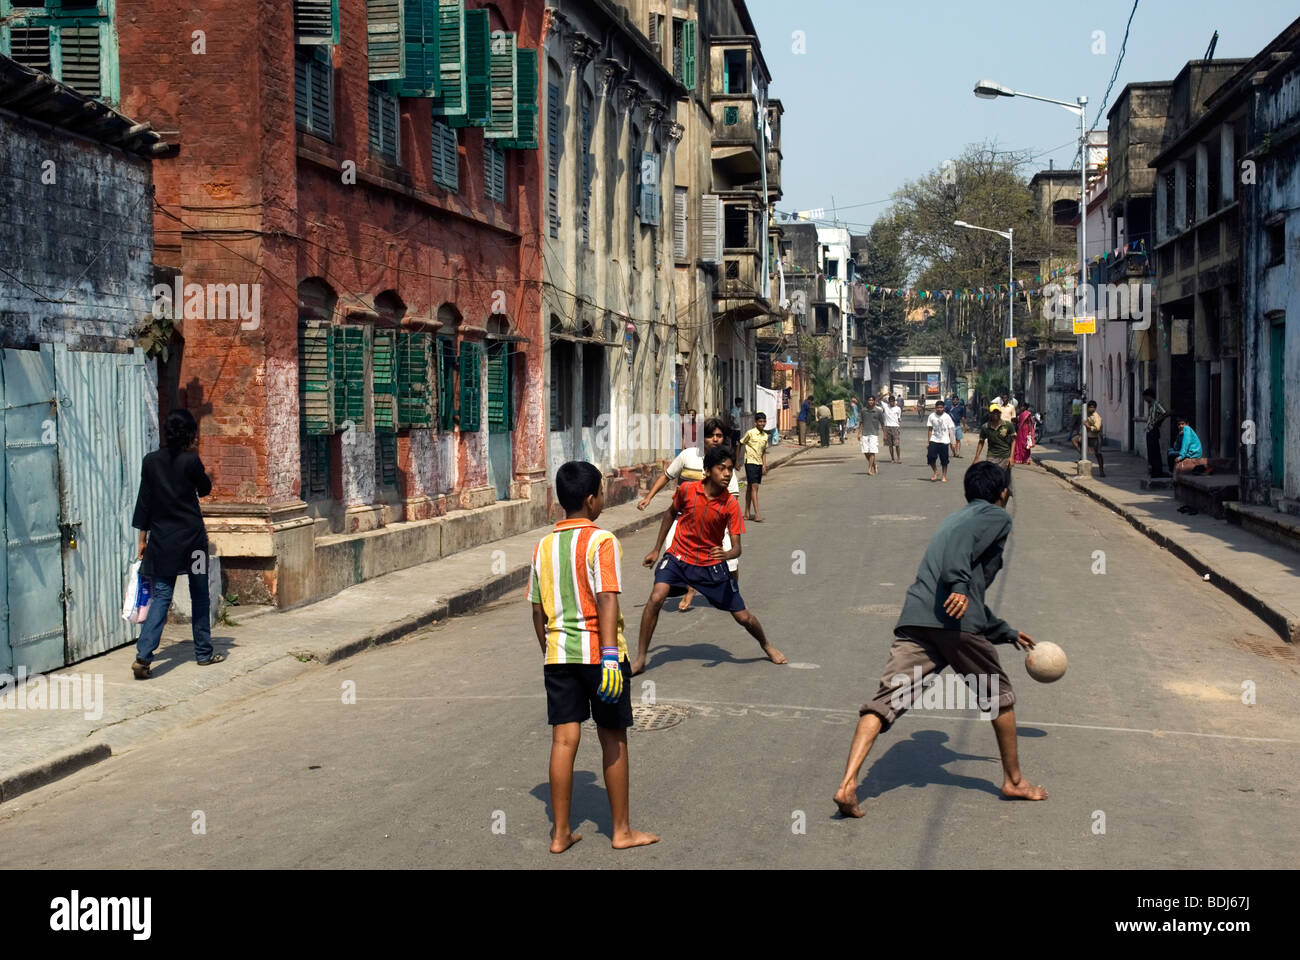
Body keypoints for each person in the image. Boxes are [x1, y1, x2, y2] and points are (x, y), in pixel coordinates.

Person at [832, 460, 1045, 818]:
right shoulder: (997, 516)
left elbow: (966, 584)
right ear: (1002, 494)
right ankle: (1014, 781)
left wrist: (1004, 631)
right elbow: (959, 567)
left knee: (885, 701)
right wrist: (960, 586)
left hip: (917, 619)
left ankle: (848, 783)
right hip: (954, 623)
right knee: (999, 698)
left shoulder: (955, 518)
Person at [529, 461, 659, 853]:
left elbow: (537, 610)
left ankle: (560, 833)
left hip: (559, 655)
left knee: (563, 741)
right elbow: (606, 598)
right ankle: (621, 831)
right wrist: (606, 656)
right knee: (613, 738)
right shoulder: (602, 541)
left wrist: (549, 650)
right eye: (601, 492)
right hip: (601, 656)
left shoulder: (543, 546)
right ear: (591, 500)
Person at [633, 445, 786, 675]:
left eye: (730, 470)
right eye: (721, 469)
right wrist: (656, 550)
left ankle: (766, 645)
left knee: (743, 617)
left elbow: (737, 548)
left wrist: (726, 554)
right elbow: (669, 514)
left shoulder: (730, 505)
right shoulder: (686, 490)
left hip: (710, 565)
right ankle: (641, 658)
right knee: (656, 596)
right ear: (707, 471)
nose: (726, 474)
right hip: (679, 556)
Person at [130, 409, 223, 679]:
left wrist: (142, 540)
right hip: (193, 541)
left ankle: (143, 656)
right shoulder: (191, 462)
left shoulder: (150, 462)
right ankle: (203, 653)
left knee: (161, 595)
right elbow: (204, 489)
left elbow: (144, 503)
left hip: (163, 542)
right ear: (189, 435)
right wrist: (205, 471)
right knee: (200, 594)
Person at [637, 417, 740, 611]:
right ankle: (688, 591)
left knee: (731, 561)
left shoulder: (726, 468)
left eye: (719, 436)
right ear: (703, 439)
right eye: (710, 436)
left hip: (716, 522)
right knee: (678, 554)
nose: (715, 440)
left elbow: (733, 500)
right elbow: (666, 476)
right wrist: (649, 497)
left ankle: (733, 590)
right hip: (684, 518)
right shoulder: (687, 456)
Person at [738, 412, 770, 522]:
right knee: (755, 488)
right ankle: (757, 514)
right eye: (760, 421)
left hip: (759, 463)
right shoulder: (750, 433)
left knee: (750, 488)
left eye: (764, 421)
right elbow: (740, 443)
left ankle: (747, 513)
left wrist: (764, 465)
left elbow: (764, 451)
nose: (762, 423)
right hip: (750, 462)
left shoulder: (765, 436)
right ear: (755, 422)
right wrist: (737, 460)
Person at [973, 404, 1016, 484]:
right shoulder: (985, 427)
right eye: (993, 412)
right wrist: (976, 457)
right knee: (991, 479)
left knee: (1004, 482)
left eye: (997, 412)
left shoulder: (1008, 425)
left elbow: (1014, 440)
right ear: (990, 414)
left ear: (1000, 413)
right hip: (991, 457)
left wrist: (1012, 457)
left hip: (1005, 457)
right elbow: (981, 442)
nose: (995, 414)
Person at [1142, 388, 1171, 478]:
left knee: (1155, 451)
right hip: (1149, 430)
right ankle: (1154, 470)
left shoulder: (1156, 405)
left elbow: (1165, 413)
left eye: (1145, 397)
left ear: (1149, 396)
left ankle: (1157, 471)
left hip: (1153, 430)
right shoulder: (1151, 406)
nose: (1145, 400)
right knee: (1151, 451)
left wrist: (1157, 422)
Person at [1071, 400, 1104, 477]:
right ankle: (1083, 455)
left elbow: (1097, 428)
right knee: (1074, 440)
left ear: (1095, 408)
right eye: (1090, 407)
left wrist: (1088, 426)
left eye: (1093, 407)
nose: (1091, 409)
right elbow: (1082, 425)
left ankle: (1101, 470)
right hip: (1087, 436)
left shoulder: (1096, 417)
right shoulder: (1086, 414)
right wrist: (1080, 434)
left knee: (1098, 454)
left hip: (1095, 437)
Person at [925, 399, 955, 482]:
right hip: (934, 440)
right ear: (935, 408)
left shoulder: (947, 417)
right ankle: (935, 472)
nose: (939, 409)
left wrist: (953, 442)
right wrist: (928, 442)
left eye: (941, 407)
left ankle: (944, 476)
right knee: (930, 457)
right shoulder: (931, 416)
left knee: (944, 460)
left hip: (944, 441)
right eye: (938, 407)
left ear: (943, 408)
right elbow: (930, 429)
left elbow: (951, 430)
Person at [860, 395, 883, 475]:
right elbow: (861, 422)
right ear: (867, 401)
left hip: (874, 434)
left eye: (872, 400)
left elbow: (882, 423)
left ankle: (869, 469)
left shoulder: (878, 411)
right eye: (869, 400)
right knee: (865, 451)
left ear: (874, 401)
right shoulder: (863, 411)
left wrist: (885, 434)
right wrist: (859, 433)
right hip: (865, 433)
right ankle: (874, 465)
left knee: (872, 451)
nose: (871, 401)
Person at [882, 395, 902, 463]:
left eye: (893, 401)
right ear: (888, 402)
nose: (891, 403)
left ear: (894, 401)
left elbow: (899, 417)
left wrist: (899, 421)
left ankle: (898, 458)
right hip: (888, 427)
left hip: (895, 427)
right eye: (890, 401)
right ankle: (892, 458)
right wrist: (884, 394)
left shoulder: (898, 408)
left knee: (897, 444)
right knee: (890, 445)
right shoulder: (886, 406)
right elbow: (877, 400)